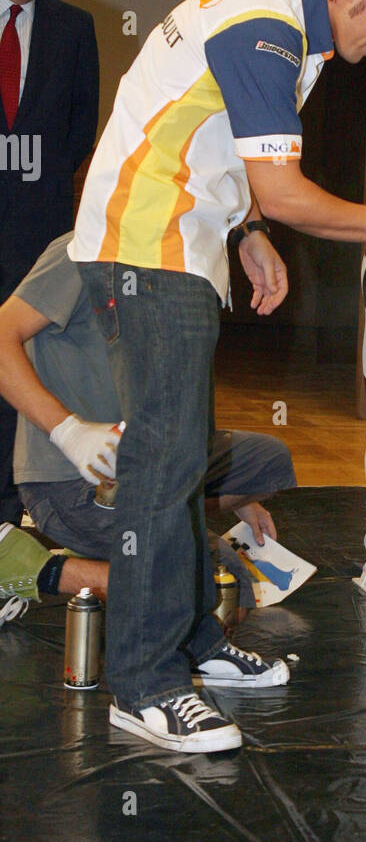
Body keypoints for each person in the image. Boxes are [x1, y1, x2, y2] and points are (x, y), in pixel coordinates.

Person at [66, 0, 366, 754]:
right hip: (149, 244)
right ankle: (141, 685)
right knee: (163, 463)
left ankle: (191, 643)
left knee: (180, 454)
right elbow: (286, 192)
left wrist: (247, 235)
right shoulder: (268, 27)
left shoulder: (289, 24)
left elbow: (227, 154)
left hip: (177, 240)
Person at [0, 233, 298, 627]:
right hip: (73, 481)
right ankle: (40, 568)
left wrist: (240, 497)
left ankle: (157, 532)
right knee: (219, 585)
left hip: (148, 460)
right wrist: (69, 432)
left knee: (271, 460)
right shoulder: (84, 247)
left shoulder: (178, 258)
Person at [0, 0, 99, 526]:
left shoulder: (74, 27)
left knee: (18, 360)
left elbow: (78, 131)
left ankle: (13, 507)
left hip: (36, 232)